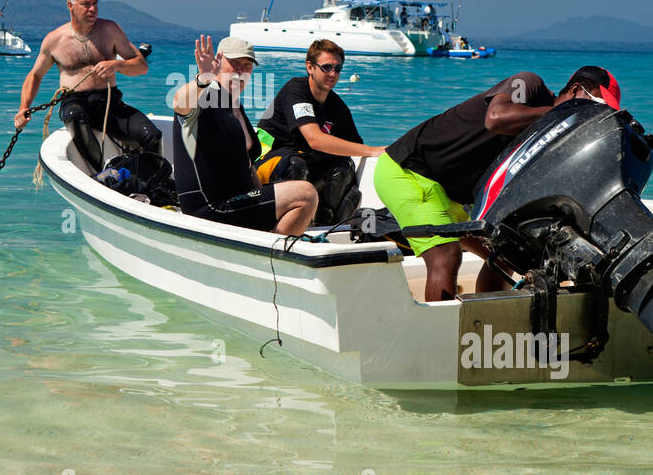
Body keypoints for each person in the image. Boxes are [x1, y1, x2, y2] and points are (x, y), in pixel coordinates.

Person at [374, 65, 622, 301]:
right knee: (445, 257)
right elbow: (495, 117)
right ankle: (444, 336)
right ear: (577, 90)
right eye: (596, 105)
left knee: (503, 256)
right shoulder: (529, 84)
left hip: (449, 195)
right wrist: (562, 114)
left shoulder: (550, 137)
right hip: (408, 171)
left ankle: (487, 319)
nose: (593, 114)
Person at [172, 35, 318, 234]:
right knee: (305, 194)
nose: (240, 71)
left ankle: (269, 247)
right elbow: (179, 104)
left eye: (247, 65)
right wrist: (203, 77)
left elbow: (248, 167)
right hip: (209, 208)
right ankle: (269, 257)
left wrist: (265, 200)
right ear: (218, 61)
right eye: (234, 64)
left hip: (239, 203)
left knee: (298, 184)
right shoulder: (205, 96)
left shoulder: (235, 107)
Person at [14, 0, 161, 169]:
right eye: (86, 4)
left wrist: (115, 65)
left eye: (95, 4)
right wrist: (23, 107)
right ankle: (102, 175)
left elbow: (141, 66)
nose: (93, 9)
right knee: (76, 117)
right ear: (71, 5)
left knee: (152, 136)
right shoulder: (54, 40)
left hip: (109, 101)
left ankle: (150, 183)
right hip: (74, 102)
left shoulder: (110, 30)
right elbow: (35, 75)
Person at [255, 39, 385, 224]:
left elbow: (356, 146)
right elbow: (315, 140)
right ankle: (283, 227)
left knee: (344, 166)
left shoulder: (337, 106)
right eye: (326, 67)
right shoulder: (296, 90)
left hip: (302, 161)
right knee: (296, 166)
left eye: (337, 69)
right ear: (310, 67)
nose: (332, 74)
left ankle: (324, 226)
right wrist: (373, 150)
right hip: (269, 161)